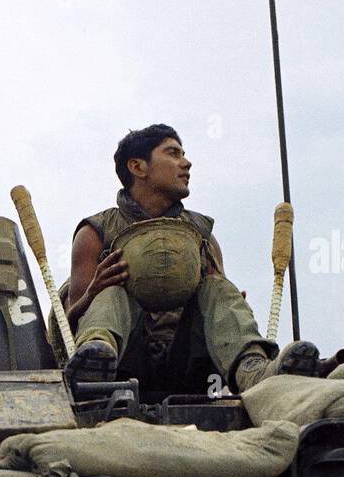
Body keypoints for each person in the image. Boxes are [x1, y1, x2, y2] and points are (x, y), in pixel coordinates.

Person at [59, 123, 319, 397]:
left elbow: (218, 297)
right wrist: (93, 292)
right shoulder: (96, 232)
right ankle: (96, 361)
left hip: (189, 364)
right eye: (173, 154)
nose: (186, 163)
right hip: (123, 367)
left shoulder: (201, 235)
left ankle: (252, 369)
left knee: (217, 288)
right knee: (110, 292)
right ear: (138, 167)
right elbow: (68, 321)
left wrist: (227, 301)